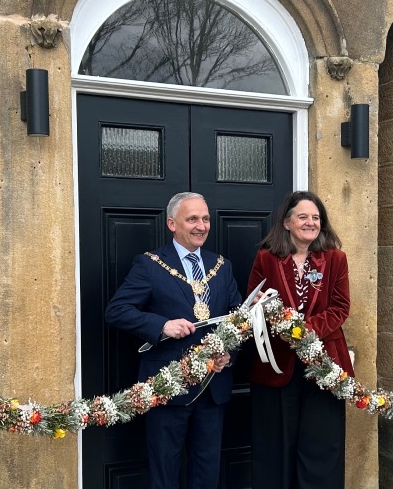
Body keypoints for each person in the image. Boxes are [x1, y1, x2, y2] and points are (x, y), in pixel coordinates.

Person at [105, 191, 243, 489]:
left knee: (207, 472)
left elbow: (237, 317)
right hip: (168, 384)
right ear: (172, 224)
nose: (201, 226)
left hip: (212, 389)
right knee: (165, 472)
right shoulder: (150, 264)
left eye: (205, 219)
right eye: (192, 219)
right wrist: (162, 325)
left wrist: (229, 354)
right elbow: (116, 311)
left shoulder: (222, 265)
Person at [248, 190, 352, 489]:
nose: (310, 223)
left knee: (322, 446)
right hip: (276, 367)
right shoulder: (266, 259)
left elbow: (340, 307)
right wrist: (284, 329)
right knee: (274, 448)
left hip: (324, 366)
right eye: (303, 216)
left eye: (316, 218)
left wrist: (304, 331)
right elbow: (254, 304)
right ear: (287, 222)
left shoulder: (335, 259)